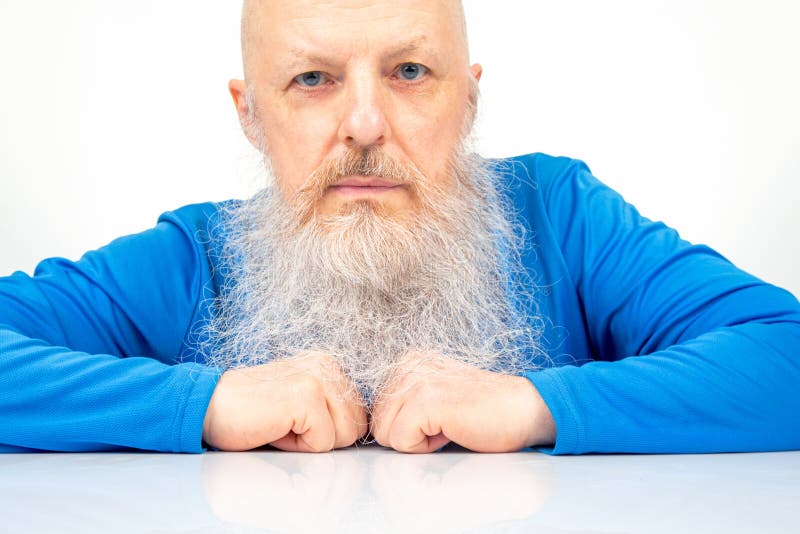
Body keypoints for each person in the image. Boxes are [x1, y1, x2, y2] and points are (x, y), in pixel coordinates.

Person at [0, 0, 798, 455]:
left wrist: (536, 406)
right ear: (249, 114)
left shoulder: (561, 215)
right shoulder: (197, 259)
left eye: (409, 71)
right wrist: (201, 401)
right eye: (312, 79)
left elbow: (782, 348)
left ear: (469, 96)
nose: (365, 123)